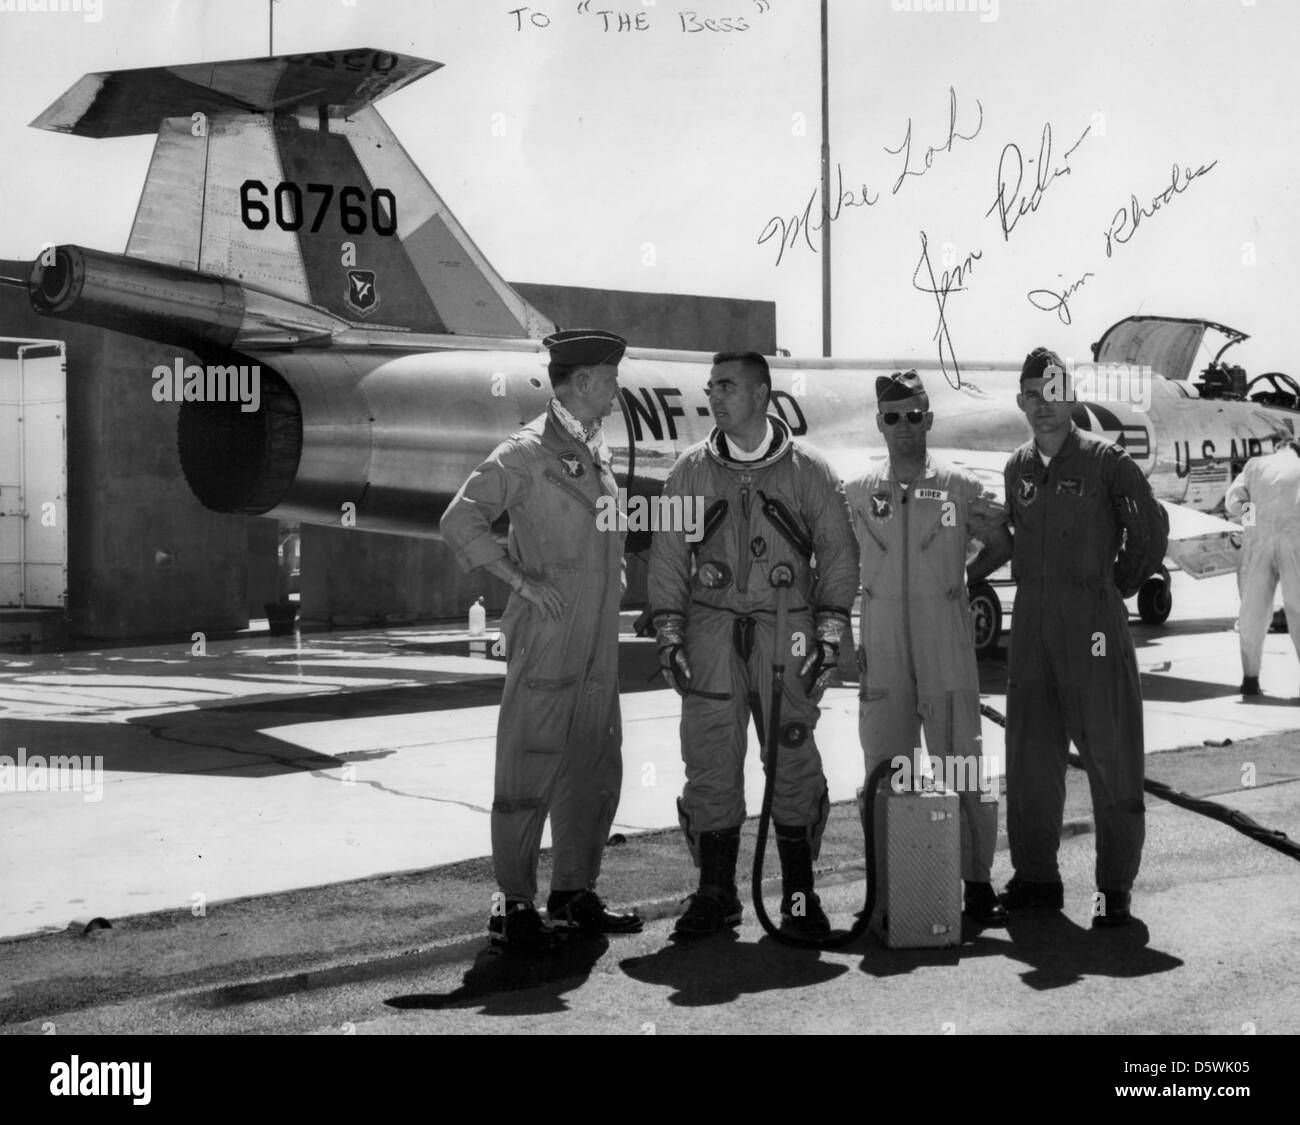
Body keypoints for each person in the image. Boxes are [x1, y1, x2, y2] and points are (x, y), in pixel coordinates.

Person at [439, 328, 642, 950]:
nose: (615, 393)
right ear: (582, 383)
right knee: (528, 765)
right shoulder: (525, 451)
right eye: (609, 382)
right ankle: (514, 904)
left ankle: (573, 893)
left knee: (594, 766)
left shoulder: (595, 450)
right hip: (550, 631)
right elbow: (459, 518)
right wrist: (519, 582)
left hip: (597, 637)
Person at [647, 351, 858, 937]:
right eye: (711, 385)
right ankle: (716, 895)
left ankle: (798, 898)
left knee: (792, 756)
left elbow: (838, 553)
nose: (714, 395)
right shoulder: (690, 471)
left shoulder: (808, 471)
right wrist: (669, 633)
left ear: (762, 394)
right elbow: (668, 556)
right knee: (709, 759)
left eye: (728, 385)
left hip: (784, 625)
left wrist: (830, 631)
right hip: (711, 628)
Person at [999, 347, 1167, 927]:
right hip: (1031, 625)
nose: (1041, 407)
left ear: (1069, 397)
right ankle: (1037, 877)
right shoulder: (1017, 466)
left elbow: (1149, 532)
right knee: (1027, 756)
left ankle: (1113, 889)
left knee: (1110, 755)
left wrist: (1112, 589)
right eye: (1030, 396)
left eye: (1051, 395)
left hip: (1092, 623)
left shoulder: (1107, 462)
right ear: (1020, 401)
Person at [844, 369, 1011, 928]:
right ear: (880, 423)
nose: (904, 427)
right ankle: (889, 879)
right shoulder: (859, 492)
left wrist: (962, 579)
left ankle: (977, 880)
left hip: (945, 639)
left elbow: (1002, 538)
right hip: (884, 642)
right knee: (885, 763)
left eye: (914, 415)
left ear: (929, 419)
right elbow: (840, 557)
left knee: (961, 756)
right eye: (893, 418)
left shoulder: (960, 488)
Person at [1224, 438, 1300, 697]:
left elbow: (1233, 501)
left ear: (1280, 447)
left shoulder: (1255, 466)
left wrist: (1253, 520)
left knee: (1253, 612)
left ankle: (1250, 678)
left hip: (1260, 541)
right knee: (1298, 610)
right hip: (1296, 539)